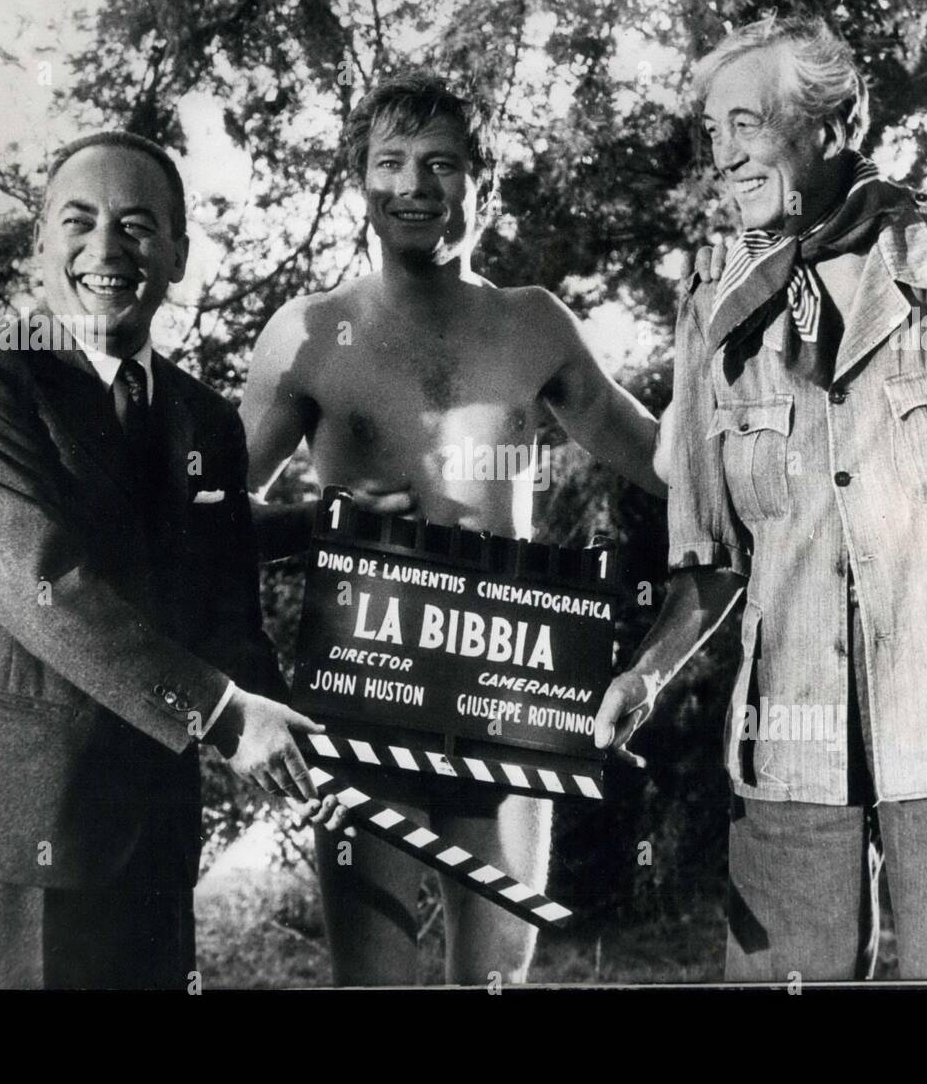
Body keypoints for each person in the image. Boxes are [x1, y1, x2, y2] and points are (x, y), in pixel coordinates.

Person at [594, 14, 927, 980]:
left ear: (834, 123)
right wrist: (645, 675)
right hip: (790, 738)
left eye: (747, 123)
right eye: (711, 132)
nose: (723, 156)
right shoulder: (713, 308)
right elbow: (711, 557)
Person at [0, 130, 341, 990]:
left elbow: (223, 611)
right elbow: (43, 586)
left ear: (177, 252)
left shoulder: (204, 419)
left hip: (149, 838)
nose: (107, 248)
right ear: (40, 243)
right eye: (79, 220)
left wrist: (299, 738)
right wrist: (229, 717)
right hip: (2, 843)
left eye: (138, 225)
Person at [242, 72, 665, 984]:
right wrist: (307, 524)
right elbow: (203, 514)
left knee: (496, 984)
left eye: (442, 163)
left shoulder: (531, 324)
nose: (414, 185)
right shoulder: (308, 333)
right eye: (389, 162)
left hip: (510, 684)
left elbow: (668, 464)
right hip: (366, 676)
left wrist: (776, 450)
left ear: (485, 185)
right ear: (360, 182)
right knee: (375, 985)